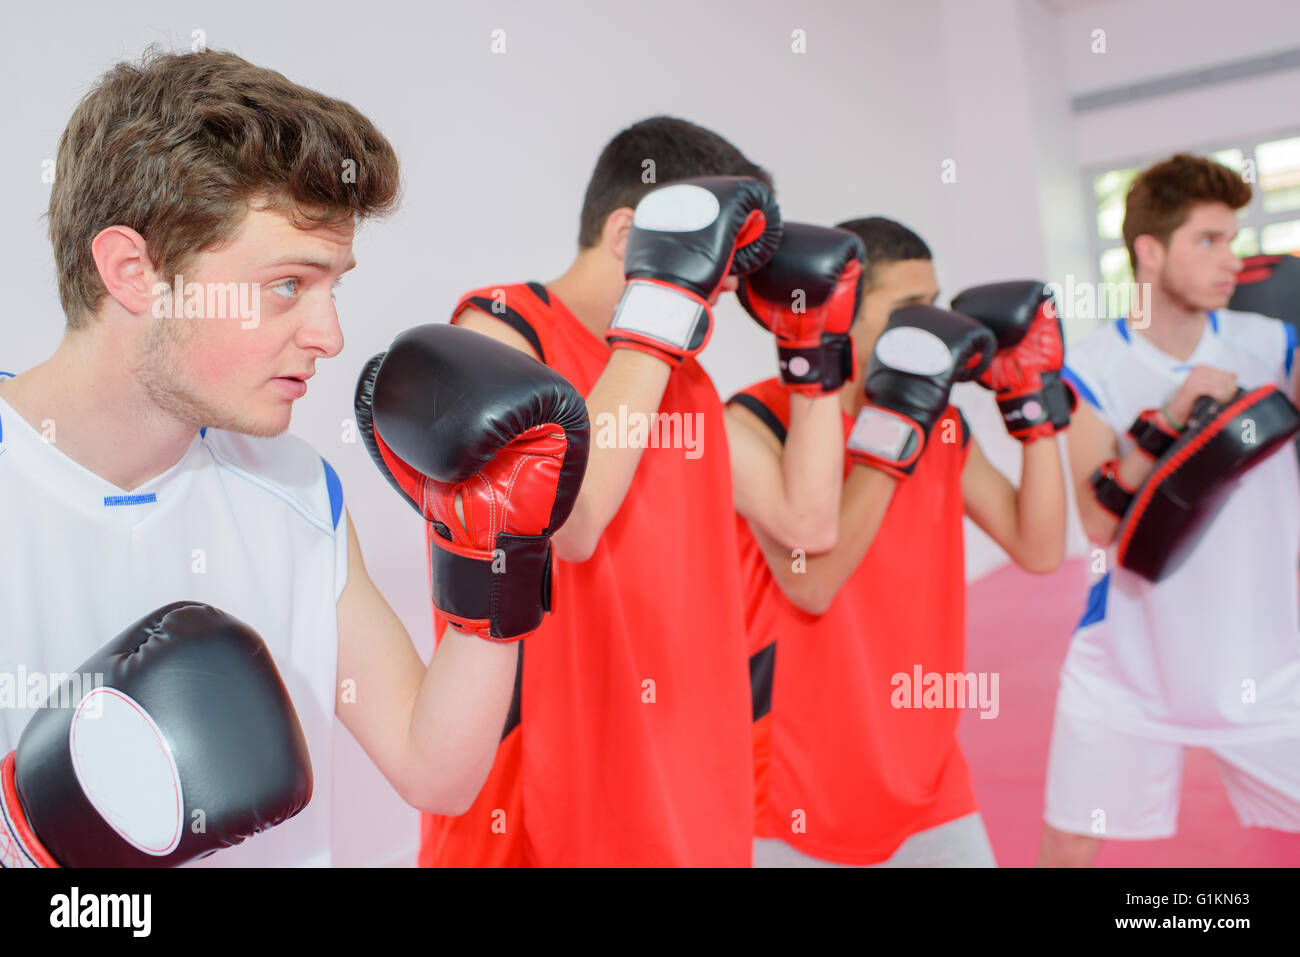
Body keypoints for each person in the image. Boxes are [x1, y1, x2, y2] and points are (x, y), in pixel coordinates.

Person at [0, 46, 562, 867]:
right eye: (288, 285)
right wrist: (30, 832)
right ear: (134, 272)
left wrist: (497, 555)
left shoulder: (296, 491)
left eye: (335, 285)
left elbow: (438, 772)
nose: (329, 336)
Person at [424, 117, 847, 866]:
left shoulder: (686, 384)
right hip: (544, 785)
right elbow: (573, 522)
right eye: (710, 258)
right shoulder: (496, 330)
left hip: (686, 784)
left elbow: (808, 522)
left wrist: (812, 357)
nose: (717, 287)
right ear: (631, 234)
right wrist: (657, 315)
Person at [732, 216, 1069, 867]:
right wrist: (894, 425)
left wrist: (1035, 407)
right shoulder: (754, 421)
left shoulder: (940, 423)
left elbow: (1039, 547)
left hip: (931, 779)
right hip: (797, 793)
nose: (935, 324)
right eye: (910, 309)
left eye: (937, 303)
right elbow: (812, 581)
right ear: (841, 312)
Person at [1041, 154, 1300, 866]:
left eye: (1233, 240)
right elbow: (1098, 522)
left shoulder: (1275, 343)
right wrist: (1167, 420)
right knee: (1067, 840)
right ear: (1149, 252)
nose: (1231, 260)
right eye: (1209, 241)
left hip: (1271, 656)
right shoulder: (1090, 367)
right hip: (1128, 657)